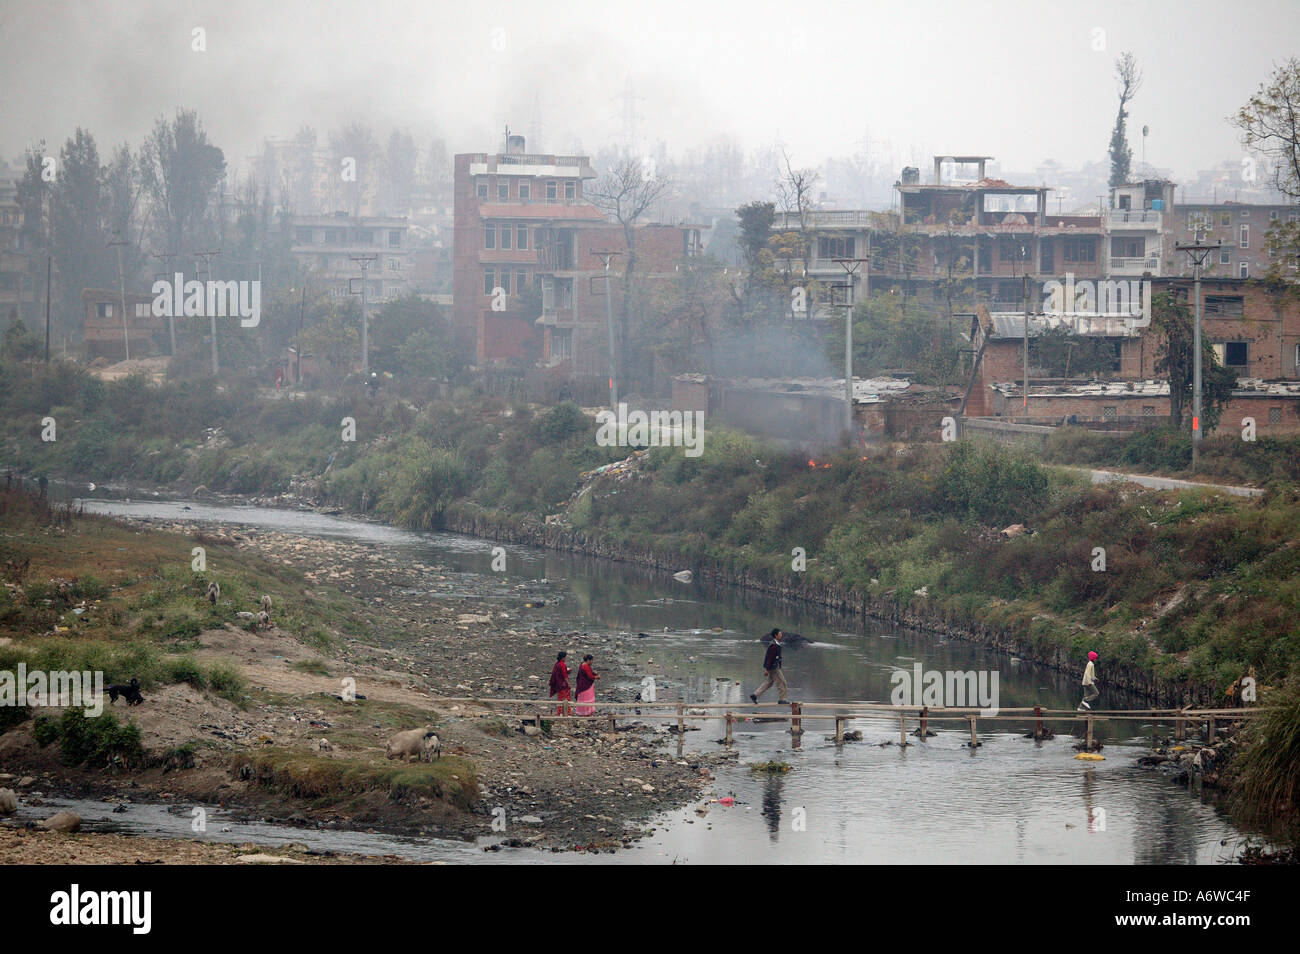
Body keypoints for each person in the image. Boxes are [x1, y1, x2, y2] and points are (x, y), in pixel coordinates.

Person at [750, 628, 789, 705]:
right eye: (780, 634)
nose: (781, 635)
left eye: (781, 634)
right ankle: (782, 699)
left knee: (769, 683)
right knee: (782, 682)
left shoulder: (776, 644)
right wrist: (767, 669)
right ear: (776, 635)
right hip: (774, 668)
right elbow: (769, 658)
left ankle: (755, 695)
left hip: (773, 666)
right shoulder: (774, 645)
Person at [549, 651, 571, 716]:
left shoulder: (557, 664)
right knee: (565, 699)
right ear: (563, 657)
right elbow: (565, 675)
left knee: (560, 698)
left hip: (558, 684)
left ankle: (560, 712)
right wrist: (568, 684)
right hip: (563, 685)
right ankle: (566, 713)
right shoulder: (562, 664)